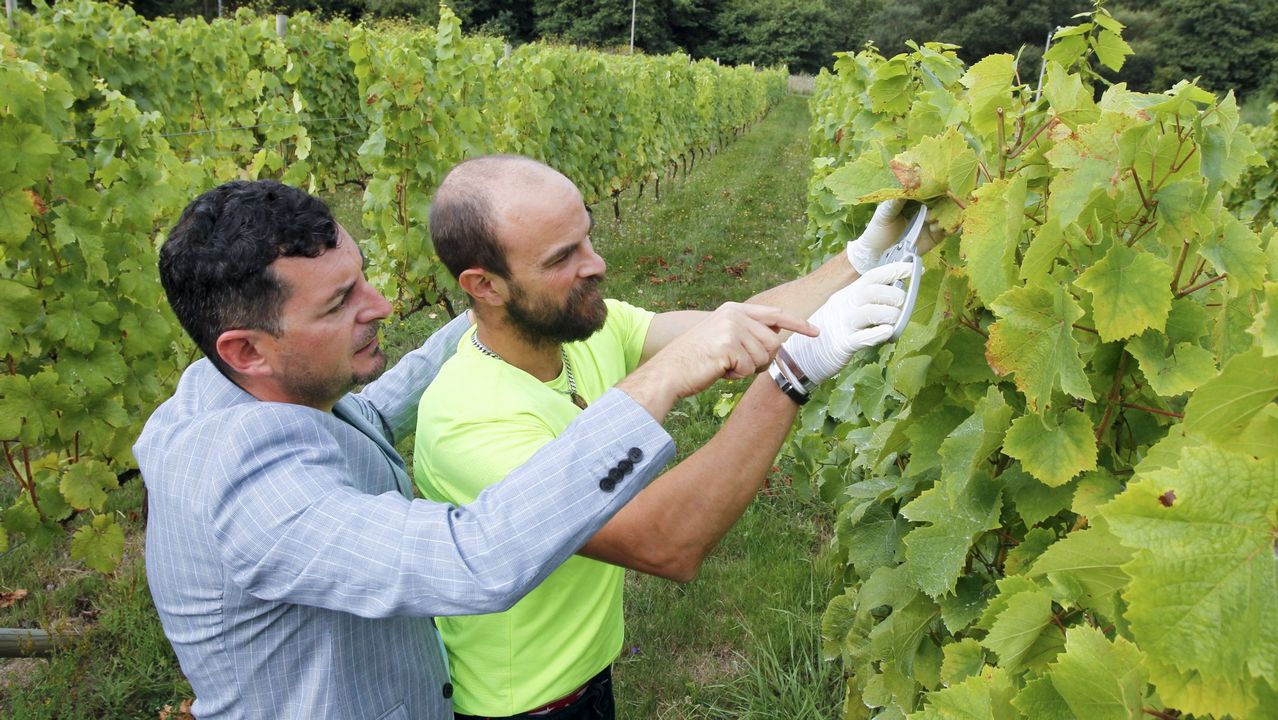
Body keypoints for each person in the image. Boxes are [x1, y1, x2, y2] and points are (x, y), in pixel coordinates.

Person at [133, 179, 823, 719]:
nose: (380, 306)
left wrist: (495, 311)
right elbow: (477, 558)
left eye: (364, 277)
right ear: (247, 349)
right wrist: (663, 377)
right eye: (341, 302)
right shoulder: (246, 487)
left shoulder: (241, 386)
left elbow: (365, 410)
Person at [414, 155, 937, 719]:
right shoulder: (469, 421)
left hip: (583, 676)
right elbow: (664, 541)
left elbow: (725, 328)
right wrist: (793, 373)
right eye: (563, 257)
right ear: (483, 285)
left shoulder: (578, 331)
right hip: (522, 706)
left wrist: (858, 258)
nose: (596, 264)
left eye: (587, 238)